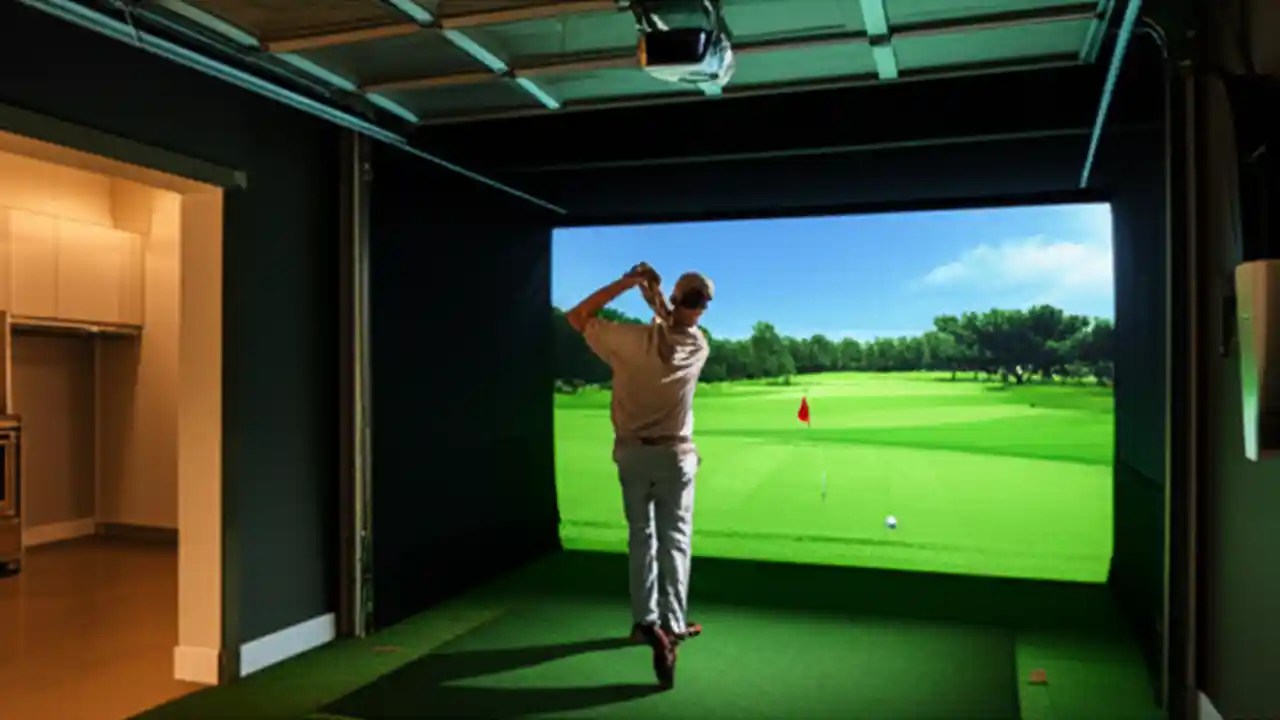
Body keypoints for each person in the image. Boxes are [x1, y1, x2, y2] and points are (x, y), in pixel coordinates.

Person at [565, 264, 714, 690]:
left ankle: (645, 623)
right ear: (701, 308)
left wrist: (630, 284)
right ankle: (674, 625)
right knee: (675, 542)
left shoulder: (630, 340)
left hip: (632, 455)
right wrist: (656, 296)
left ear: (677, 299)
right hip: (676, 457)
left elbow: (577, 316)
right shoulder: (699, 345)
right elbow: (672, 322)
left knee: (641, 539)